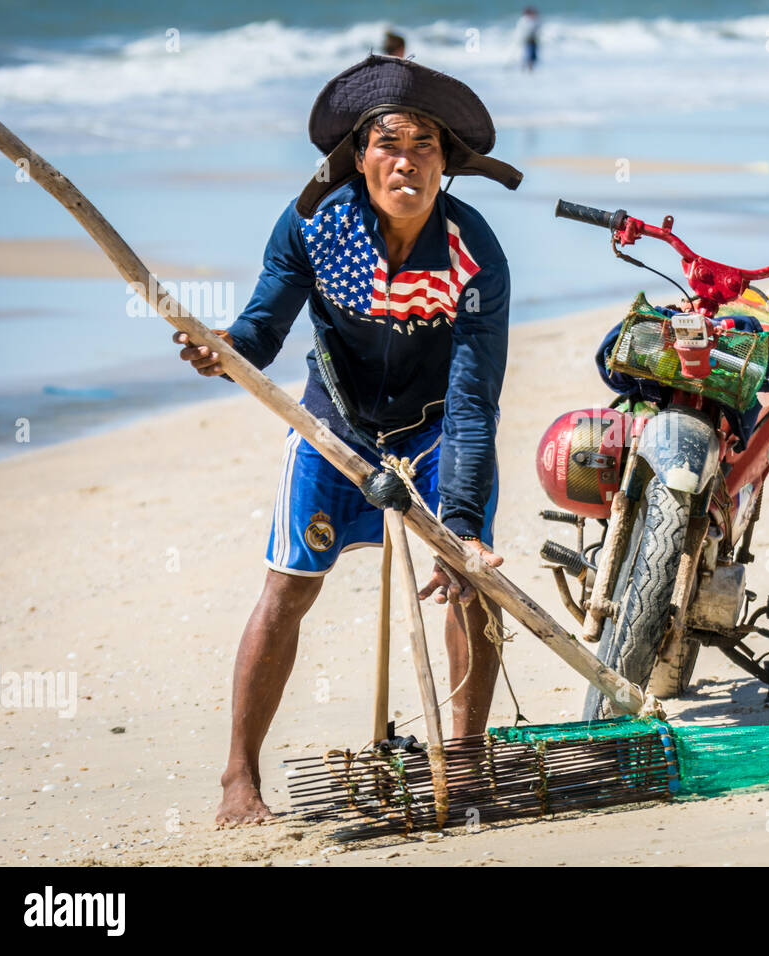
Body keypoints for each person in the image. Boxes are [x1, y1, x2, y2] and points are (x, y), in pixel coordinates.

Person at [175, 55, 524, 826]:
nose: (407, 160)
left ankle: (463, 764)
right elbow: (263, 327)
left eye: (425, 145)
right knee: (288, 587)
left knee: (472, 582)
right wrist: (223, 346)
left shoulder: (475, 255)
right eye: (389, 143)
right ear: (360, 160)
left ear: (446, 164)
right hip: (335, 428)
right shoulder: (315, 223)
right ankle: (239, 780)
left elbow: (474, 398)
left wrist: (461, 525)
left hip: (438, 430)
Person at [515, 7, 540, 72]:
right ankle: (525, 68)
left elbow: (537, 29)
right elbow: (522, 31)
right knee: (528, 54)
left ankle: (529, 68)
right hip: (527, 40)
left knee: (532, 55)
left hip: (533, 39)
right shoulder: (524, 20)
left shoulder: (534, 20)